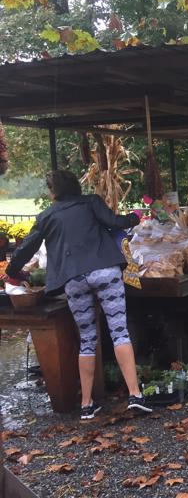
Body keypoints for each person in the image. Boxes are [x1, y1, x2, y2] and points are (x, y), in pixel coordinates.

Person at [6, 170, 152, 420]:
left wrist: (12, 272)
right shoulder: (91, 203)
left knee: (86, 338)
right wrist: (135, 217)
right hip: (105, 271)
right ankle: (135, 395)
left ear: (54, 193)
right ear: (76, 187)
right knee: (119, 331)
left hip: (73, 279)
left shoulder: (46, 216)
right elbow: (116, 222)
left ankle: (86, 404)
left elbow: (26, 247)